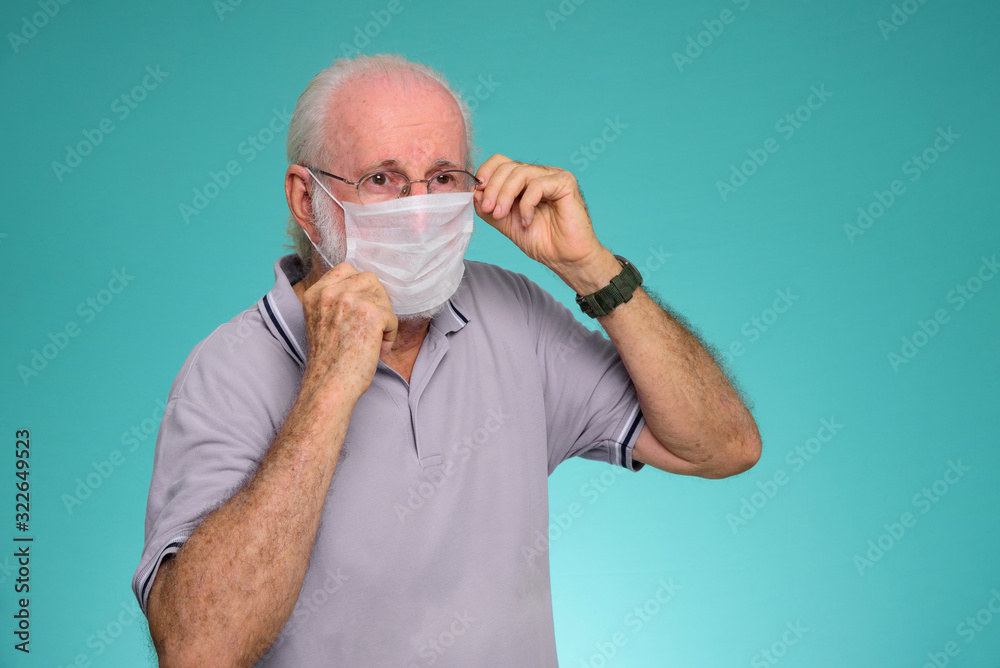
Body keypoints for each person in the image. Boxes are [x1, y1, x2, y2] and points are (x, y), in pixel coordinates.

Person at [132, 53, 761, 667]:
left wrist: (589, 267)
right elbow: (198, 652)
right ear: (306, 198)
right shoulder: (229, 370)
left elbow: (722, 446)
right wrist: (326, 389)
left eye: (442, 179)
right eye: (382, 179)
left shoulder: (512, 312)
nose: (419, 214)